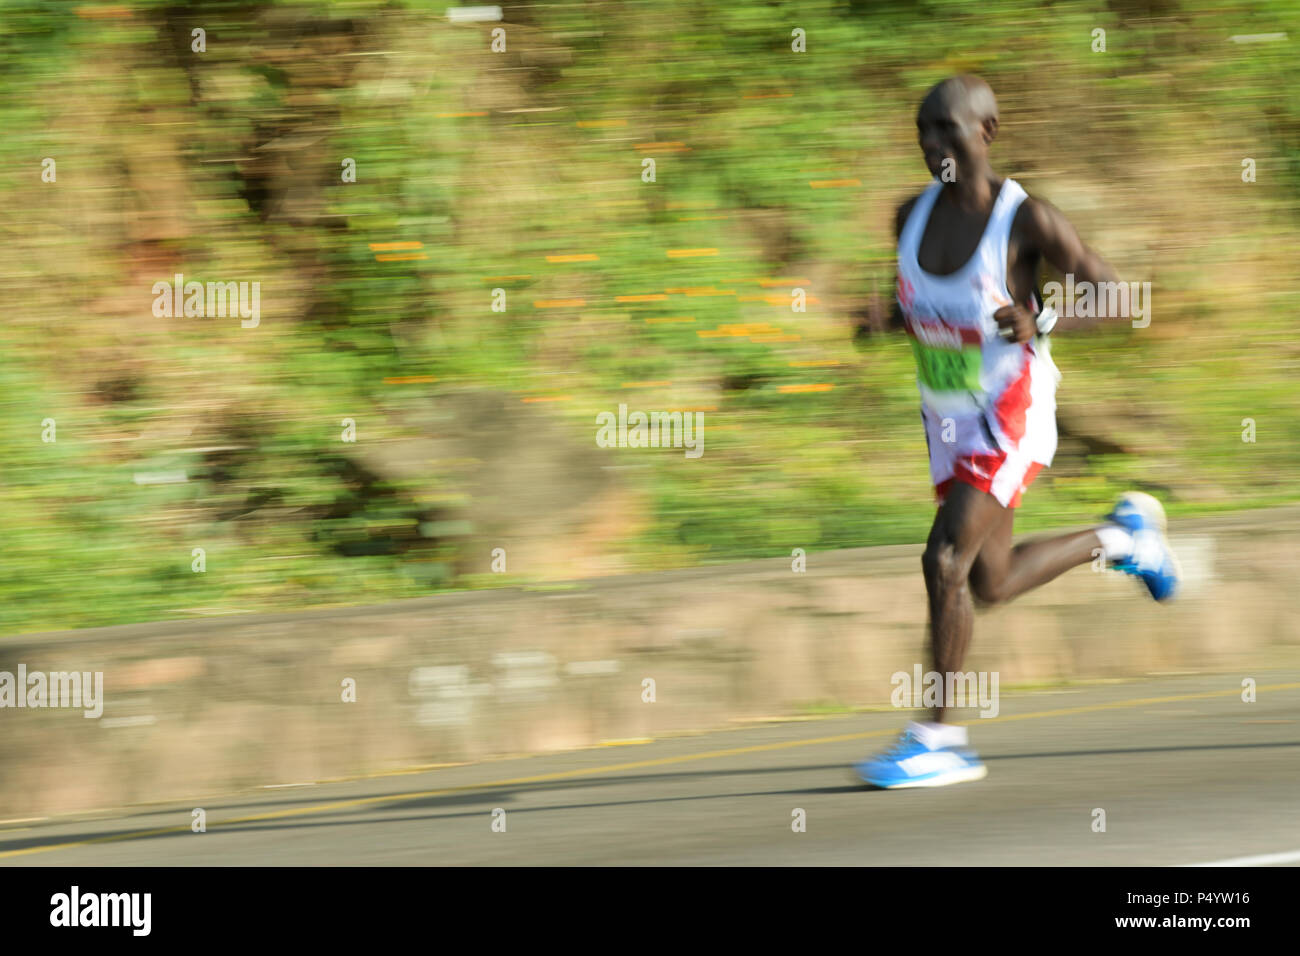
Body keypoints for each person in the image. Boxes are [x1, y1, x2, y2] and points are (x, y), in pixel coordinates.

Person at [853, 76, 1180, 789]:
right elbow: (928, 307)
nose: (933, 144)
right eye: (922, 131)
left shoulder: (1026, 219)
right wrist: (883, 320)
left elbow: (1121, 296)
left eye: (947, 128)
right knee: (989, 582)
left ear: (988, 132)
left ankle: (939, 738)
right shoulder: (908, 215)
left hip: (1011, 414)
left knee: (943, 561)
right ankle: (1124, 539)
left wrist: (1048, 319)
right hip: (946, 419)